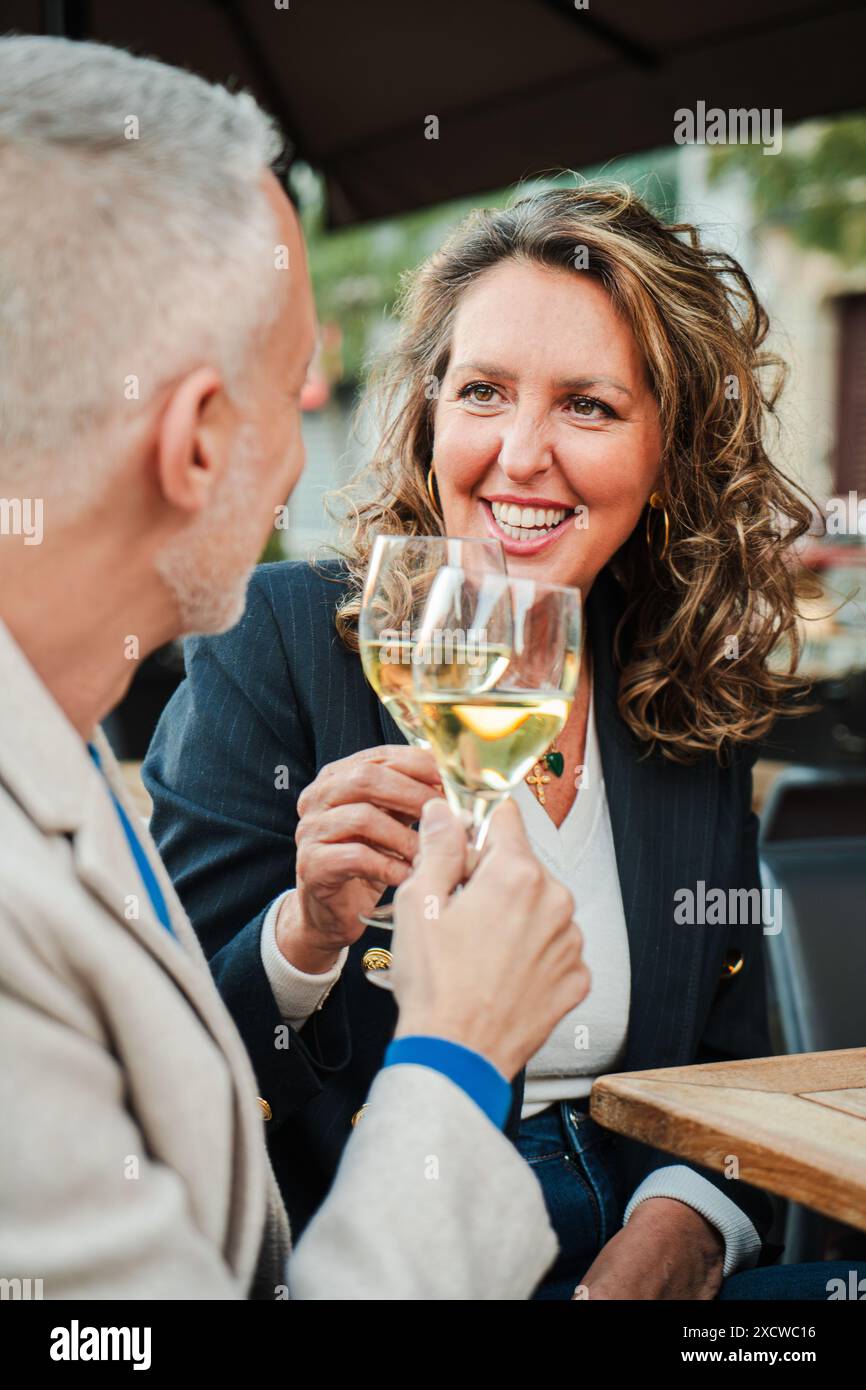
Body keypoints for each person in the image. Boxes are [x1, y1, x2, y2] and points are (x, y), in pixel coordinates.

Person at [145, 177, 865, 1300]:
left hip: (637, 1223)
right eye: (482, 390)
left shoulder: (677, 676)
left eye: (587, 405)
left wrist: (676, 1230)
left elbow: (735, 1056)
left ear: (664, 452)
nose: (519, 454)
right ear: (430, 409)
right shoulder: (283, 637)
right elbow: (172, 1061)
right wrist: (305, 933)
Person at [0, 34, 593, 1300]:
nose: (323, 424)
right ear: (199, 442)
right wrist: (456, 1050)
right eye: (294, 381)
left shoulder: (64, 743)